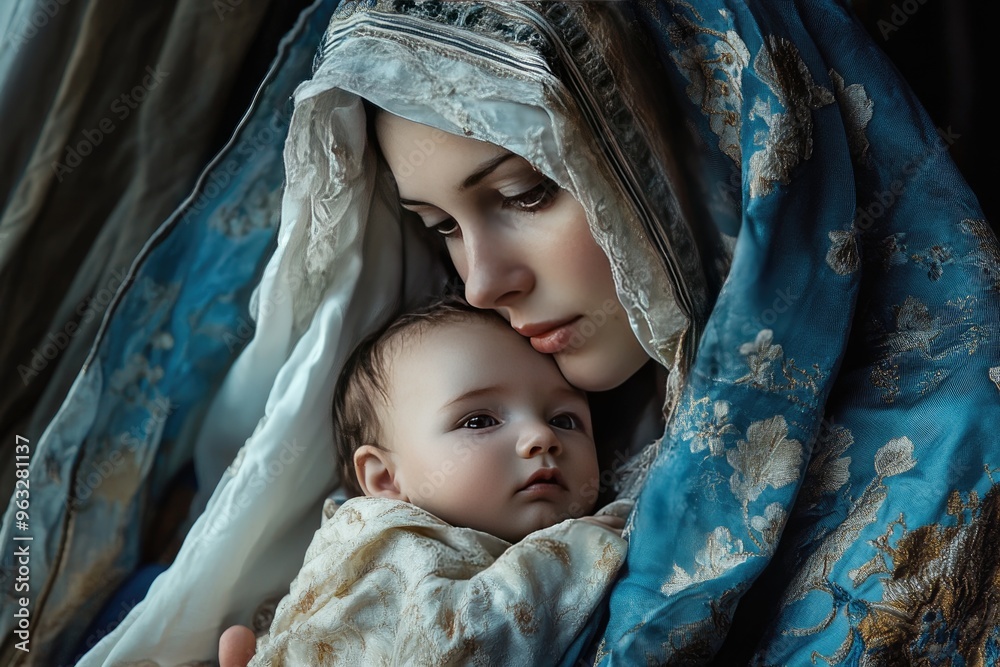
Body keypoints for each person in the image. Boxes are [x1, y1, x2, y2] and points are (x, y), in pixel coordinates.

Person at [28, 2, 996, 665]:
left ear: (697, 156)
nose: (483, 282)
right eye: (440, 227)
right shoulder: (519, 460)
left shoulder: (952, 464)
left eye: (523, 192)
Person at [234, 297, 629, 664]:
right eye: (478, 421)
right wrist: (575, 551)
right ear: (386, 479)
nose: (542, 437)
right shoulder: (389, 546)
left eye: (564, 420)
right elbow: (456, 645)